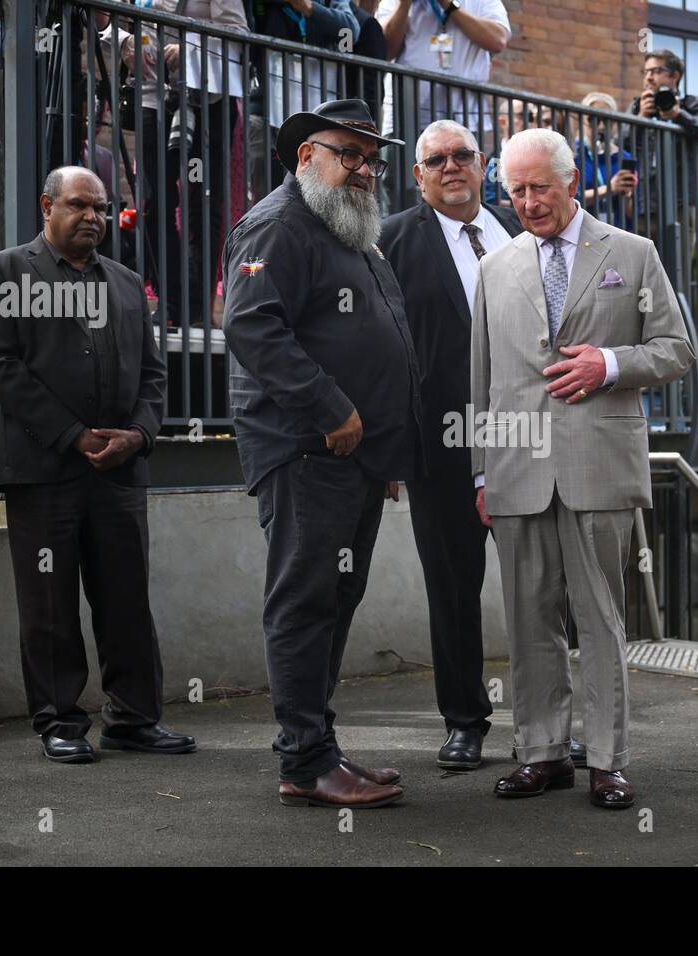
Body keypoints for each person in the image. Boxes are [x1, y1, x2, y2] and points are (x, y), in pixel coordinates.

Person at [471, 129, 694, 809]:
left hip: (599, 462)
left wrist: (611, 363)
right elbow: (480, 378)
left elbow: (677, 349)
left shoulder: (633, 253)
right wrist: (481, 474)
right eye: (515, 191)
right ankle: (540, 753)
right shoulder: (494, 266)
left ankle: (606, 760)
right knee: (529, 619)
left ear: (572, 180)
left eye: (540, 187)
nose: (528, 202)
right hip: (516, 469)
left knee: (600, 619)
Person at [223, 99, 426, 808]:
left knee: (336, 597)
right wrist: (331, 407)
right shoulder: (280, 222)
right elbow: (251, 327)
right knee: (307, 601)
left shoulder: (349, 226)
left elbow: (385, 336)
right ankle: (306, 761)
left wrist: (387, 453)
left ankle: (318, 750)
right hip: (306, 448)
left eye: (372, 157)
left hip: (355, 457)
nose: (365, 168)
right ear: (306, 155)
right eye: (350, 153)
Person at [0, 166, 193, 763]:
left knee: (126, 600)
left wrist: (140, 435)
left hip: (118, 470)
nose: (93, 217)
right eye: (79, 205)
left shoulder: (125, 282)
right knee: (49, 602)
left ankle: (135, 720)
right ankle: (60, 722)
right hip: (43, 470)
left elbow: (153, 374)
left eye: (100, 207)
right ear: (46, 206)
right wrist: (74, 436)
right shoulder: (2, 272)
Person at [379, 120, 520, 769]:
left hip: (523, 440)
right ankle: (465, 720)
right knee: (453, 591)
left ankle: (552, 722)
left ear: (483, 163)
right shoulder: (392, 242)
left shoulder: (516, 233)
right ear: (418, 175)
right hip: (441, 447)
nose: (451, 166)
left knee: (541, 590)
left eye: (463, 155)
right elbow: (381, 350)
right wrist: (391, 447)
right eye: (436, 160)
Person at [119, 0, 248, 328]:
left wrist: (189, 48)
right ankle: (170, 300)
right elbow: (109, 18)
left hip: (206, 100)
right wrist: (125, 43)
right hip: (150, 98)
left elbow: (238, 34)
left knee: (202, 206)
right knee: (153, 203)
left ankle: (196, 309)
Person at [248, 0, 361, 203]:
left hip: (315, 117)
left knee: (311, 192)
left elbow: (350, 30)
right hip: (265, 110)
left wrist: (307, 7)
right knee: (266, 191)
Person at [627, 48, 698, 255]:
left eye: (656, 71)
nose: (649, 77)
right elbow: (620, 144)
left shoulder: (691, 104)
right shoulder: (639, 106)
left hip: (679, 202)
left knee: (677, 274)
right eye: (646, 72)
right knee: (642, 275)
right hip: (643, 204)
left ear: (674, 76)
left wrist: (679, 115)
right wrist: (641, 117)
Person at [377, 0, 510, 138]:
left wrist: (449, 5)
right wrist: (403, 5)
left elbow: (498, 40)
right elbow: (383, 50)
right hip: (405, 118)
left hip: (463, 120)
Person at [575, 91, 636, 231]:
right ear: (583, 120)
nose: (601, 126)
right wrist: (610, 189)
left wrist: (627, 196)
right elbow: (571, 200)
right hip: (585, 234)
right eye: (593, 119)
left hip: (618, 233)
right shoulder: (573, 155)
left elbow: (633, 213)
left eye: (607, 119)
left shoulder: (624, 157)